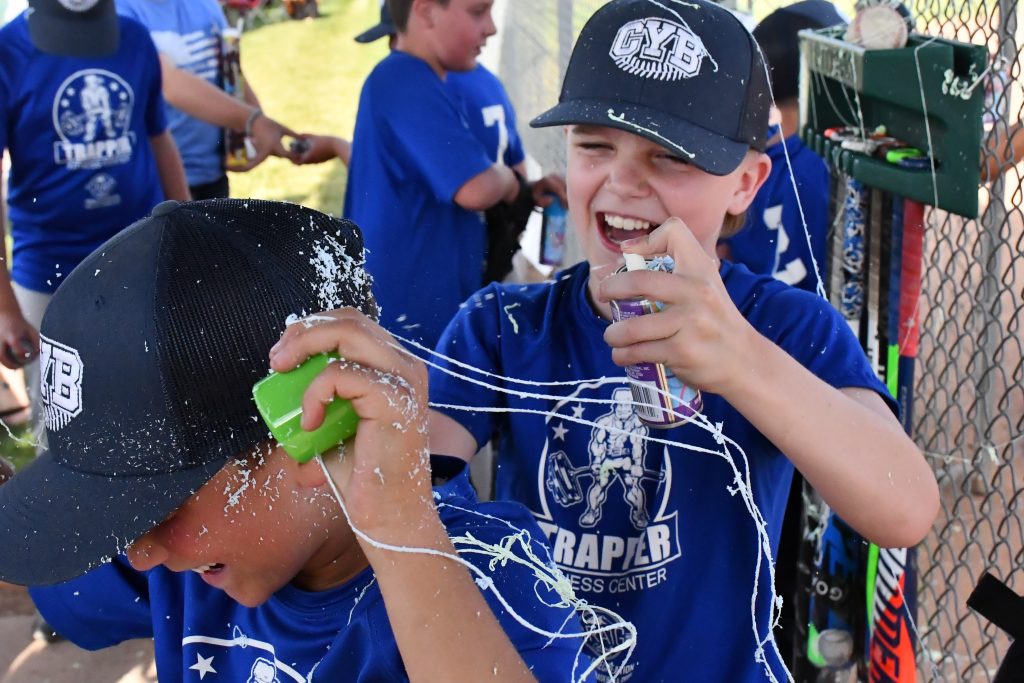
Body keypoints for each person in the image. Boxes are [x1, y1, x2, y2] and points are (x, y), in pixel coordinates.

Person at [427, 1, 940, 681]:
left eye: (671, 156)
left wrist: (741, 361)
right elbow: (412, 491)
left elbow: (906, 508)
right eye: (594, 145)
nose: (622, 181)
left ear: (746, 184)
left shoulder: (783, 326)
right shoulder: (503, 325)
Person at [0, 198, 596, 682]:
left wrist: (399, 527)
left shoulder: (493, 581)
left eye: (159, 502)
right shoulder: (184, 562)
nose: (139, 552)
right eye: (119, 514)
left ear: (319, 421)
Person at [339, 0, 564, 350]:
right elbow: (475, 188)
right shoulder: (402, 78)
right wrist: (509, 182)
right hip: (409, 317)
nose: (491, 27)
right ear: (426, 11)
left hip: (427, 305)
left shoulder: (426, 81)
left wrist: (525, 191)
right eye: (477, 11)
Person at [717, 0, 845, 294]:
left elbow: (722, 250)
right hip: (805, 315)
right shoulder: (823, 163)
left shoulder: (744, 149)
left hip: (744, 306)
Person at [116, 0, 300, 199]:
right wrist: (252, 120)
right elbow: (168, 82)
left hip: (213, 174)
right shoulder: (121, 11)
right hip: (159, 181)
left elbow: (231, 70)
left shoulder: (205, 4)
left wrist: (257, 129)